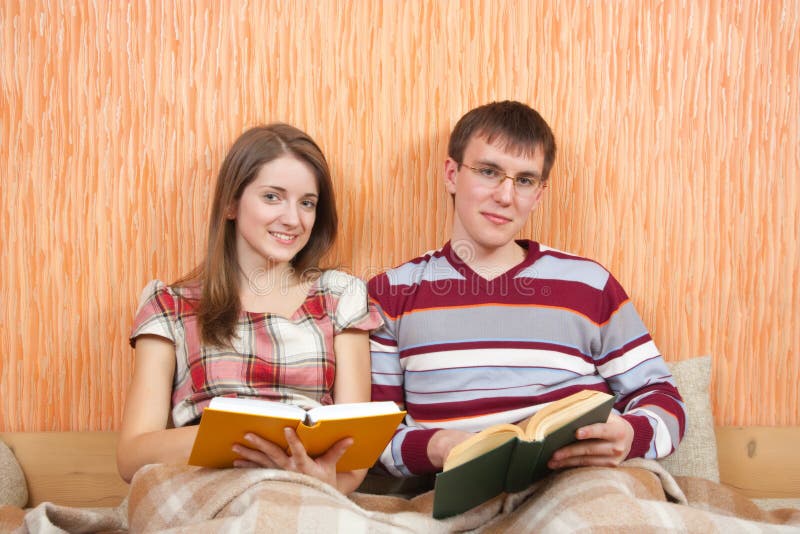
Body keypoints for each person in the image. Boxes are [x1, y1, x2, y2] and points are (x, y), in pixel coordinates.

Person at [368, 101, 685, 481]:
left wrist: (631, 435)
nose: (506, 196)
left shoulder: (589, 284)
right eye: (489, 172)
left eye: (524, 180)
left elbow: (664, 398)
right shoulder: (391, 294)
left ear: (538, 194)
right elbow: (373, 435)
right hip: (459, 490)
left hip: (580, 486)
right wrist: (436, 447)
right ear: (452, 175)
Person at [117, 123, 382, 494]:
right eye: (273, 197)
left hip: (304, 492)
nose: (293, 219)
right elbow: (131, 457)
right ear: (230, 203)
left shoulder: (341, 296)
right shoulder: (170, 306)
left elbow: (352, 463)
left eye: (307, 202)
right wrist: (242, 439)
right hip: (201, 488)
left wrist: (320, 478)